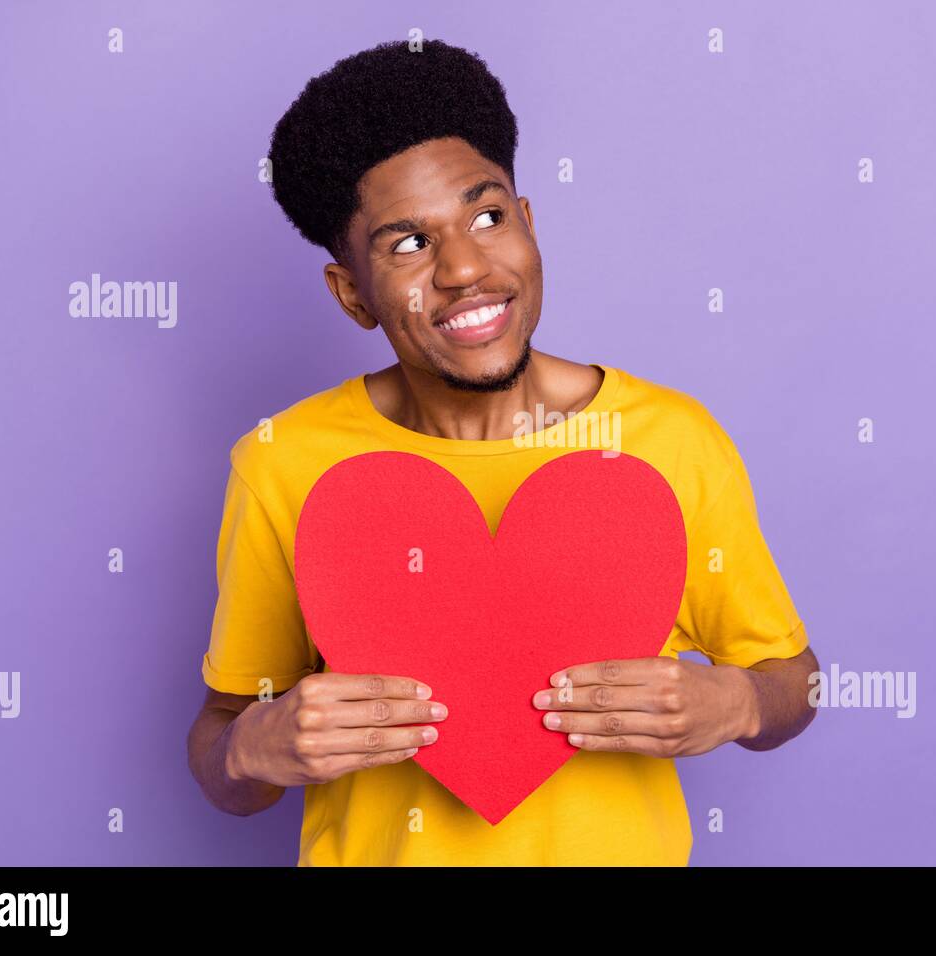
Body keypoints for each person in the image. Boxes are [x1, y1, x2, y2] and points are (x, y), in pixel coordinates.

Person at [186, 38, 818, 866]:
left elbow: (796, 682)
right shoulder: (282, 462)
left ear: (529, 222)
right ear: (352, 295)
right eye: (407, 244)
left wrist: (740, 703)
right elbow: (222, 747)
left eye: (488, 218)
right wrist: (249, 750)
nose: (464, 268)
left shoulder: (672, 439)